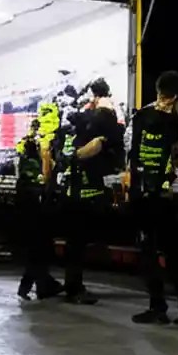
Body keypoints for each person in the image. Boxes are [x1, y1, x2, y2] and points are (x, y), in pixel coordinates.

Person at [130, 70, 178, 325]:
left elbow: (132, 153)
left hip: (144, 194)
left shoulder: (142, 116)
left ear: (157, 90)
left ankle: (157, 306)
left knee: (148, 252)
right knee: (173, 251)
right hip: (166, 195)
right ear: (177, 94)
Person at [59, 78, 125, 305]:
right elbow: (104, 145)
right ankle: (74, 288)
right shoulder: (106, 117)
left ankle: (70, 285)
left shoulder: (78, 118)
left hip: (73, 186)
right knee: (78, 240)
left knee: (74, 241)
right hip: (87, 188)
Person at [16, 117, 63, 300]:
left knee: (36, 247)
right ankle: (28, 286)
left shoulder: (25, 145)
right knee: (41, 246)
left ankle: (43, 285)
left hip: (25, 200)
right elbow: (45, 174)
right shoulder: (42, 147)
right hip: (37, 202)